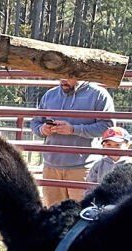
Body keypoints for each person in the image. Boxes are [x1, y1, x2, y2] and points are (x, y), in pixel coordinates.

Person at [30, 77, 115, 205]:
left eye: (69, 75)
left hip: (83, 168)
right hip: (51, 167)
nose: (63, 79)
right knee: (53, 216)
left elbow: (107, 127)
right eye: (60, 75)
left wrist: (74, 130)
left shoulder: (98, 95)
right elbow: (35, 122)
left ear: (81, 74)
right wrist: (43, 129)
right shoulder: (50, 95)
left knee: (82, 215)